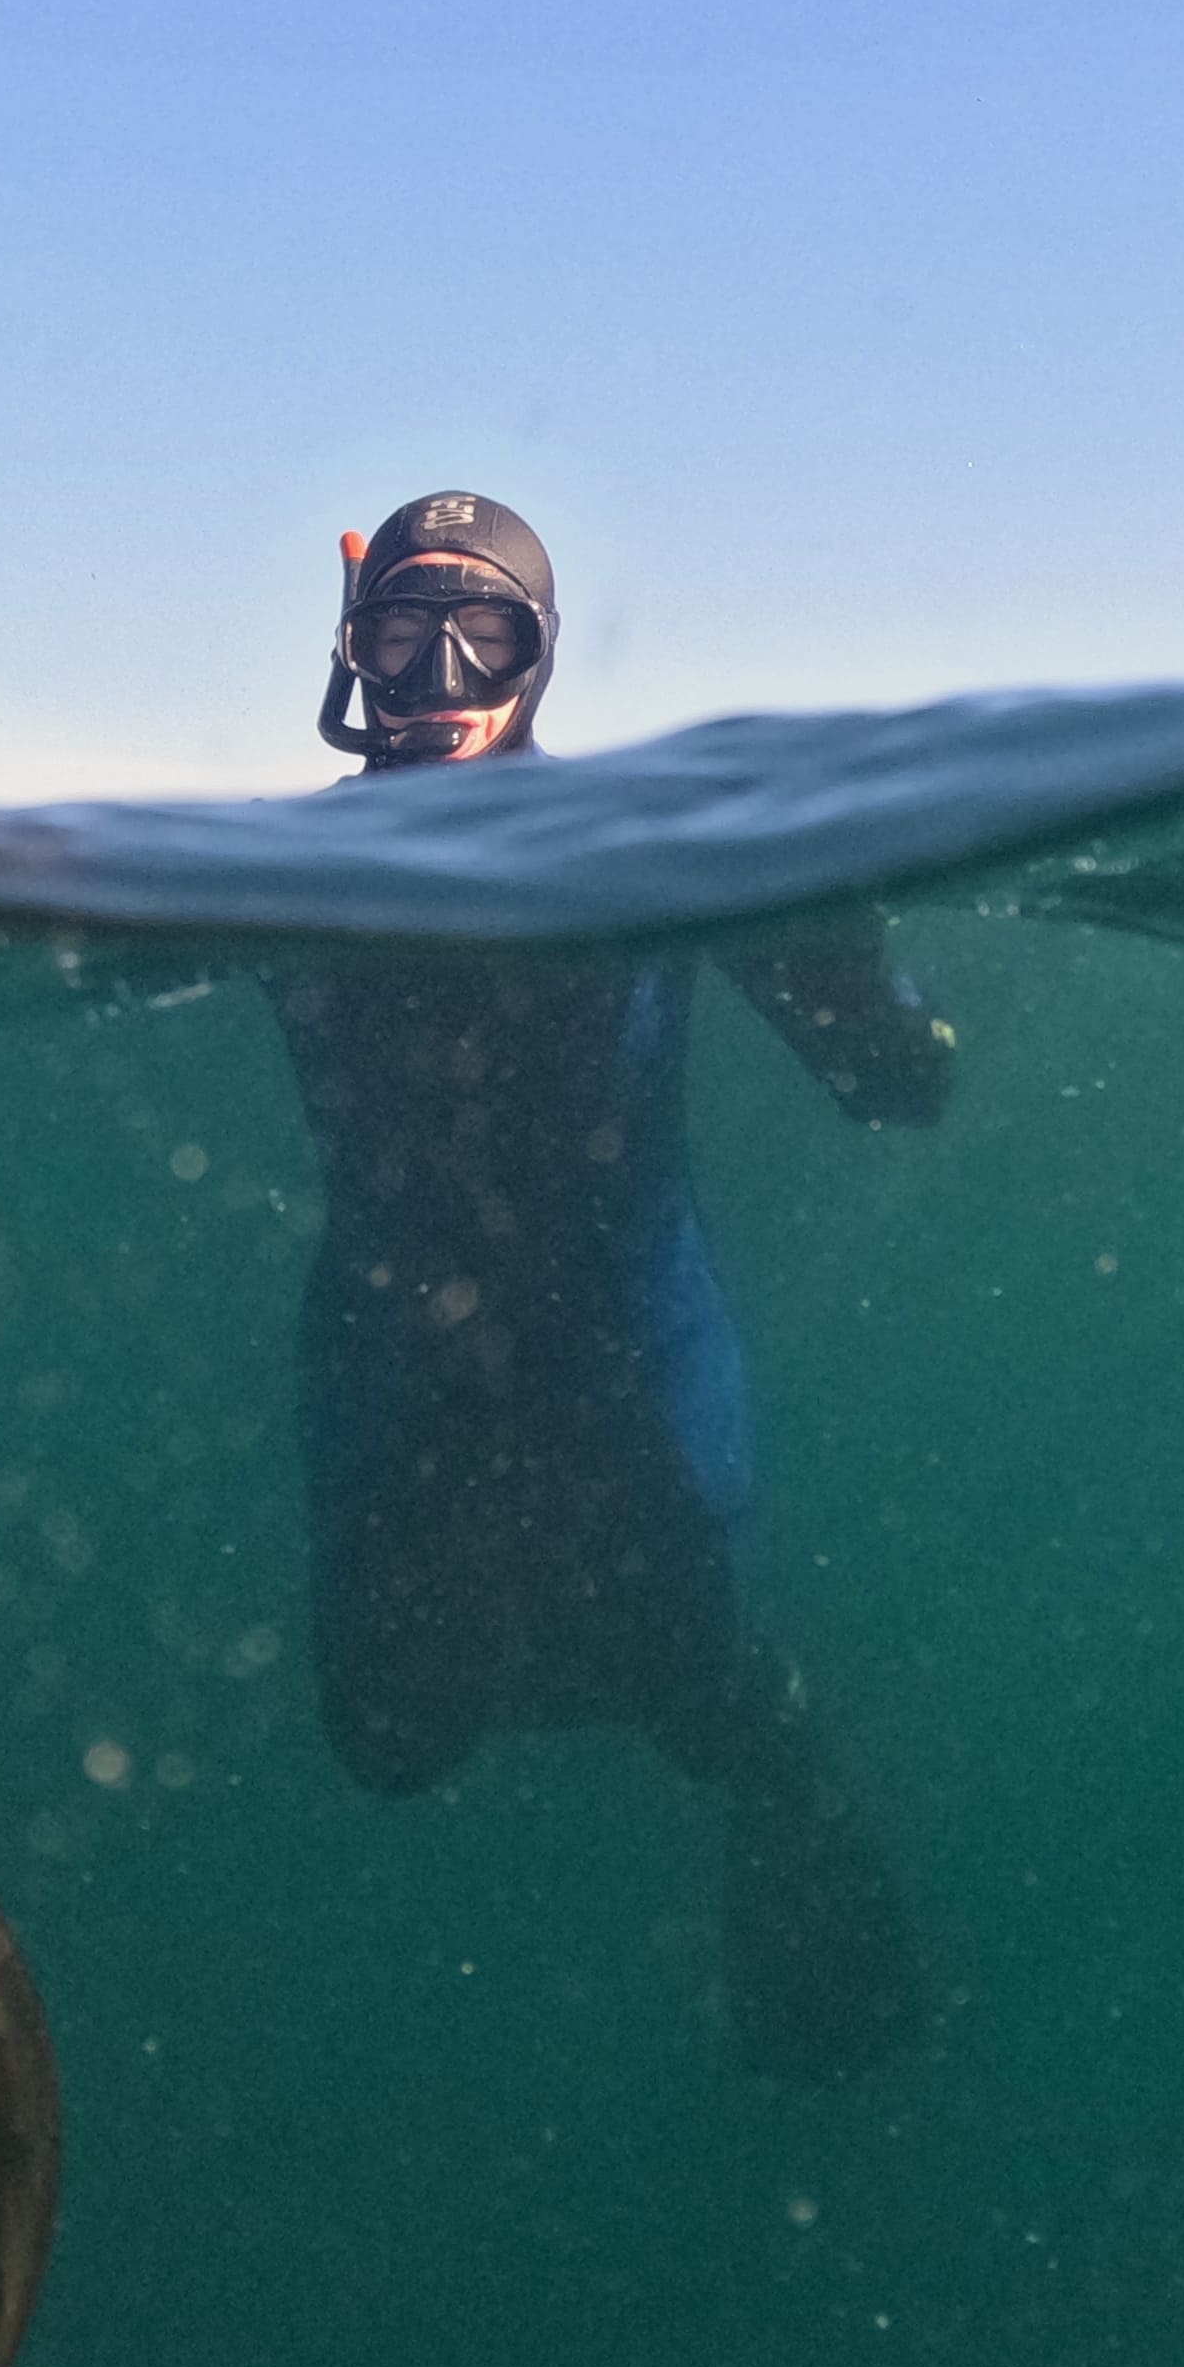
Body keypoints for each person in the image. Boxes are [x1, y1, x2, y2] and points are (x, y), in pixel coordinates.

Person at [271, 491, 955, 2080]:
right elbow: (56, 935)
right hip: (395, 1362)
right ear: (352, 652)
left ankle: (787, 1759)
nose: (441, 680)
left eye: (484, 635)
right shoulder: (285, 869)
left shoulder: (652, 862)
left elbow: (905, 1089)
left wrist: (850, 964)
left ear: (544, 658)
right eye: (403, 636)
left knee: (689, 1685)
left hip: (628, 1351)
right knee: (390, 1745)